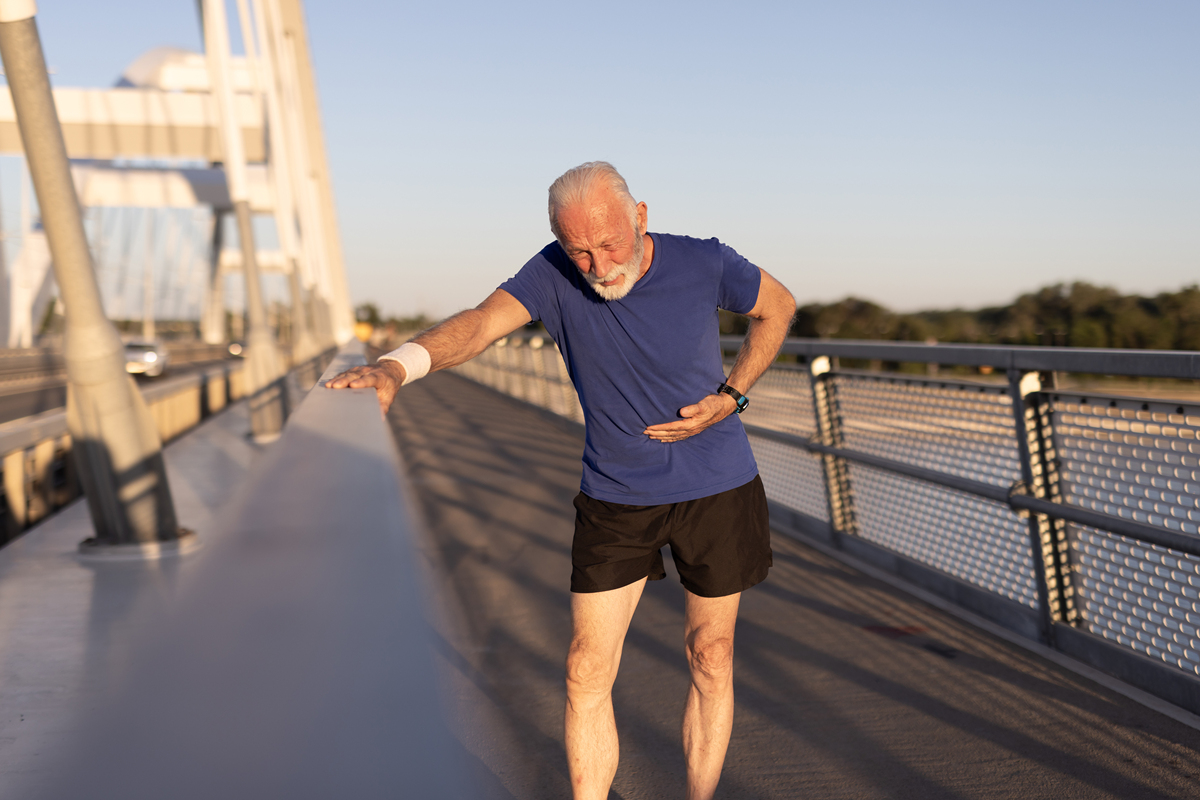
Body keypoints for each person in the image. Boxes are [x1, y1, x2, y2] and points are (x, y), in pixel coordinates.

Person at [326, 161, 795, 800]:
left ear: (642, 217)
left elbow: (778, 307)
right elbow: (479, 324)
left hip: (717, 484)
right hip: (616, 497)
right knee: (584, 670)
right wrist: (394, 366)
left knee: (710, 655)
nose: (599, 267)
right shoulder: (549, 274)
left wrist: (732, 395)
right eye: (580, 252)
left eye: (610, 245)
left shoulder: (705, 261)